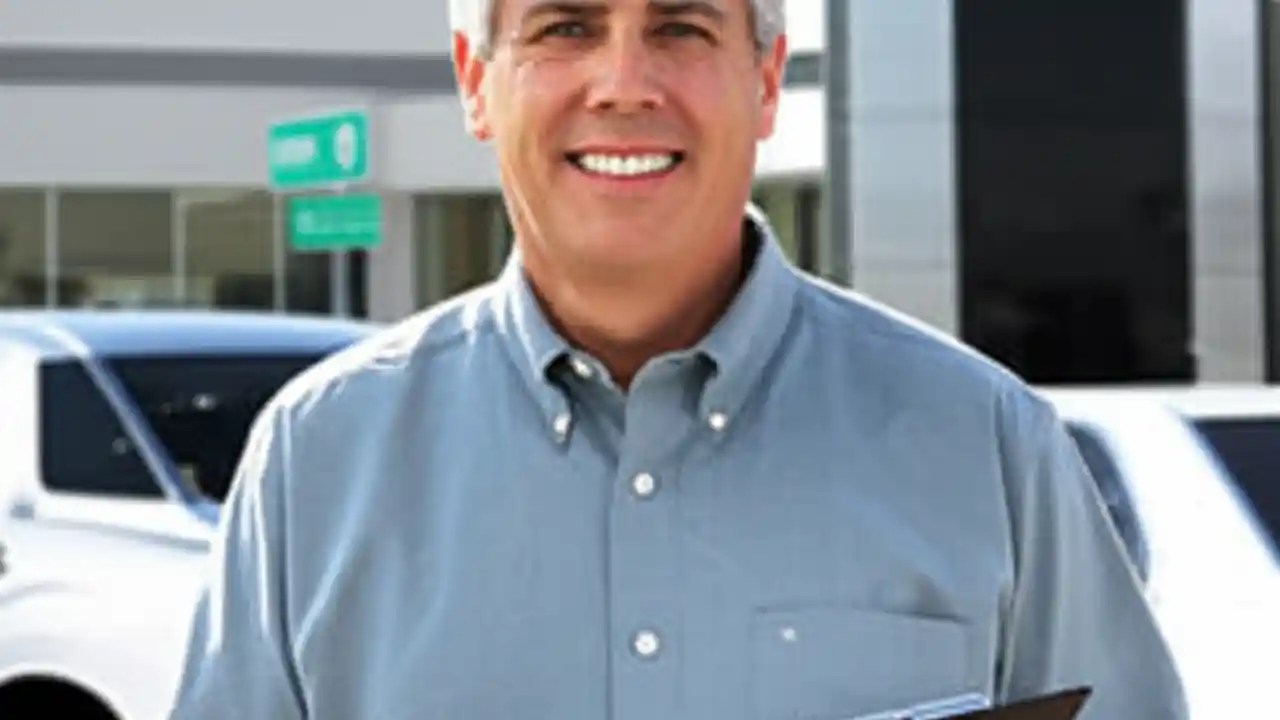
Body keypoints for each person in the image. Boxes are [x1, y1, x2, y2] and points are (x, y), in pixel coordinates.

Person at [168, 1, 1188, 718]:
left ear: (766, 80)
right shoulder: (319, 459)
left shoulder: (984, 445)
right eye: (566, 26)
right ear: (477, 84)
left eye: (680, 26)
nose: (623, 83)